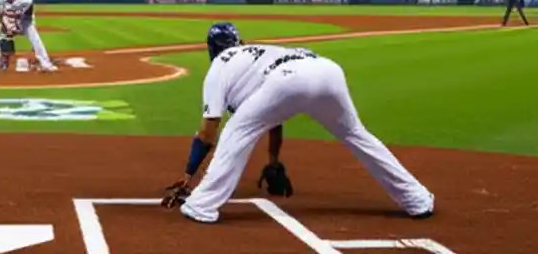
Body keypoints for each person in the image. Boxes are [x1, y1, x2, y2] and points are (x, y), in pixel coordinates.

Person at [162, 22, 434, 224]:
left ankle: (202, 205)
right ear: (240, 40)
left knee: (236, 130)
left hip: (289, 79)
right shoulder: (257, 54)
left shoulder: (221, 63)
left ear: (211, 49)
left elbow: (208, 133)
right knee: (357, 135)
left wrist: (188, 176)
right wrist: (272, 161)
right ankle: (417, 199)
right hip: (327, 70)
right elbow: (273, 118)